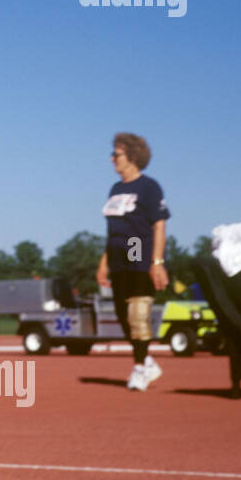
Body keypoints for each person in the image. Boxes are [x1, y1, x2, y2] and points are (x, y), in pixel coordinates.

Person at [96, 133, 170, 391]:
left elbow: (159, 225)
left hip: (138, 251)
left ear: (133, 157)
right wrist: (103, 263)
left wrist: (157, 262)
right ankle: (147, 361)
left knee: (138, 313)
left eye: (117, 154)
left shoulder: (149, 187)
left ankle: (139, 368)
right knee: (122, 315)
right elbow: (112, 231)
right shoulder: (115, 189)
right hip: (117, 256)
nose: (112, 159)